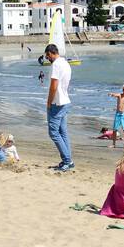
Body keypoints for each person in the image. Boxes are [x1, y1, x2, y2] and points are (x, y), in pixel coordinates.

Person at [44, 44, 74, 172]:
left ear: (51, 53)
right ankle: (68, 160)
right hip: (65, 101)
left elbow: (54, 86)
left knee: (54, 133)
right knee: (63, 132)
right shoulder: (66, 63)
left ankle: (67, 160)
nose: (47, 59)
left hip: (57, 103)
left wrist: (49, 102)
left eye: (47, 56)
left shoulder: (56, 64)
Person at [107, 84, 124, 149]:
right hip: (118, 114)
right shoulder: (120, 95)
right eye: (123, 89)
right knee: (115, 129)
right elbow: (115, 94)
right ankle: (113, 144)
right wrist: (111, 94)